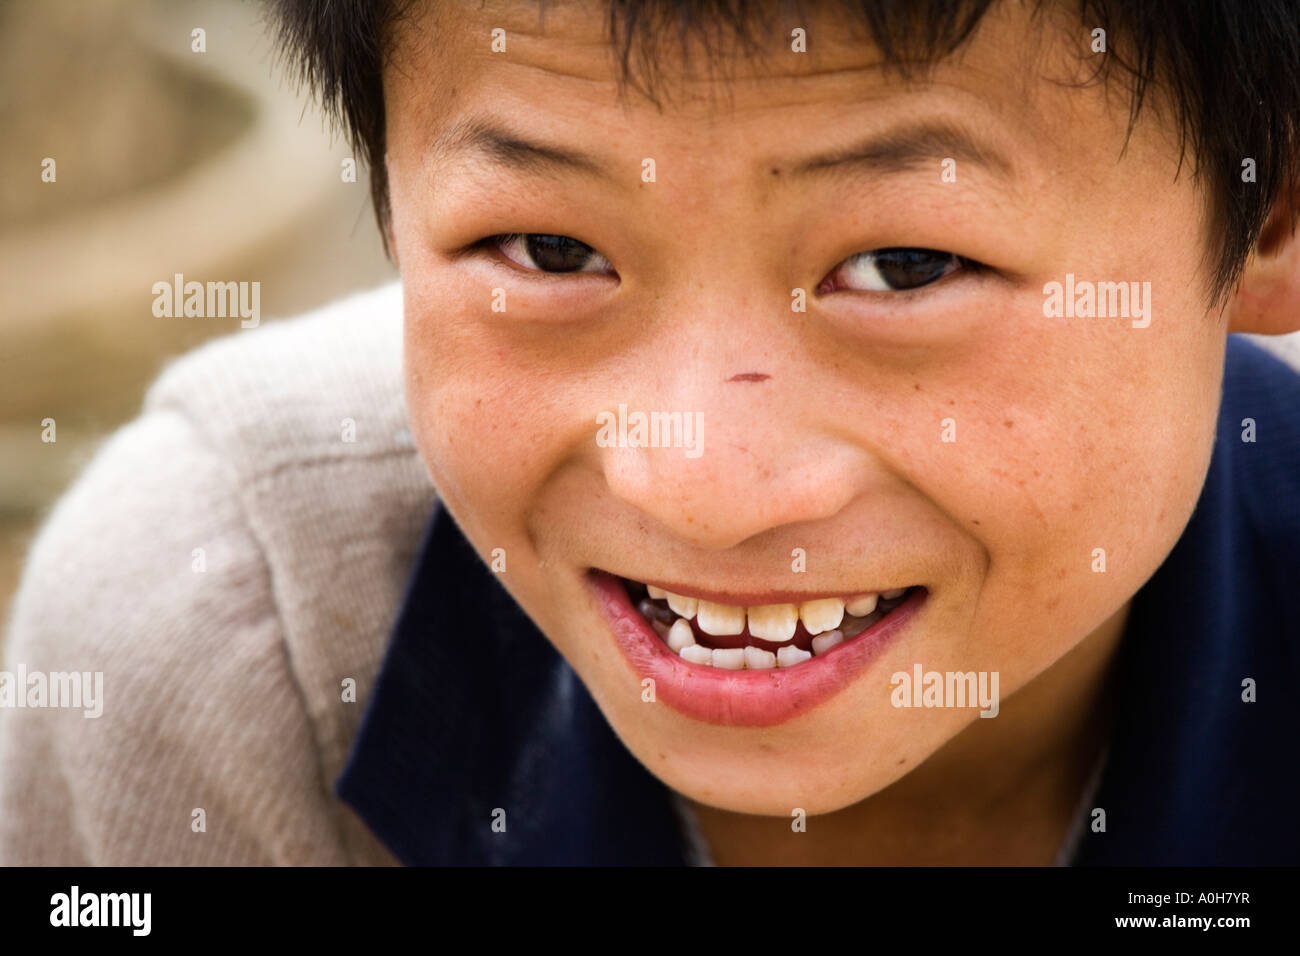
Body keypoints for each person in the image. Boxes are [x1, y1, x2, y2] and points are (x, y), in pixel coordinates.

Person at [3, 0, 1299, 865]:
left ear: (1269, 215)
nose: (702, 490)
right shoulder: (232, 640)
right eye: (549, 249)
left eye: (906, 266)